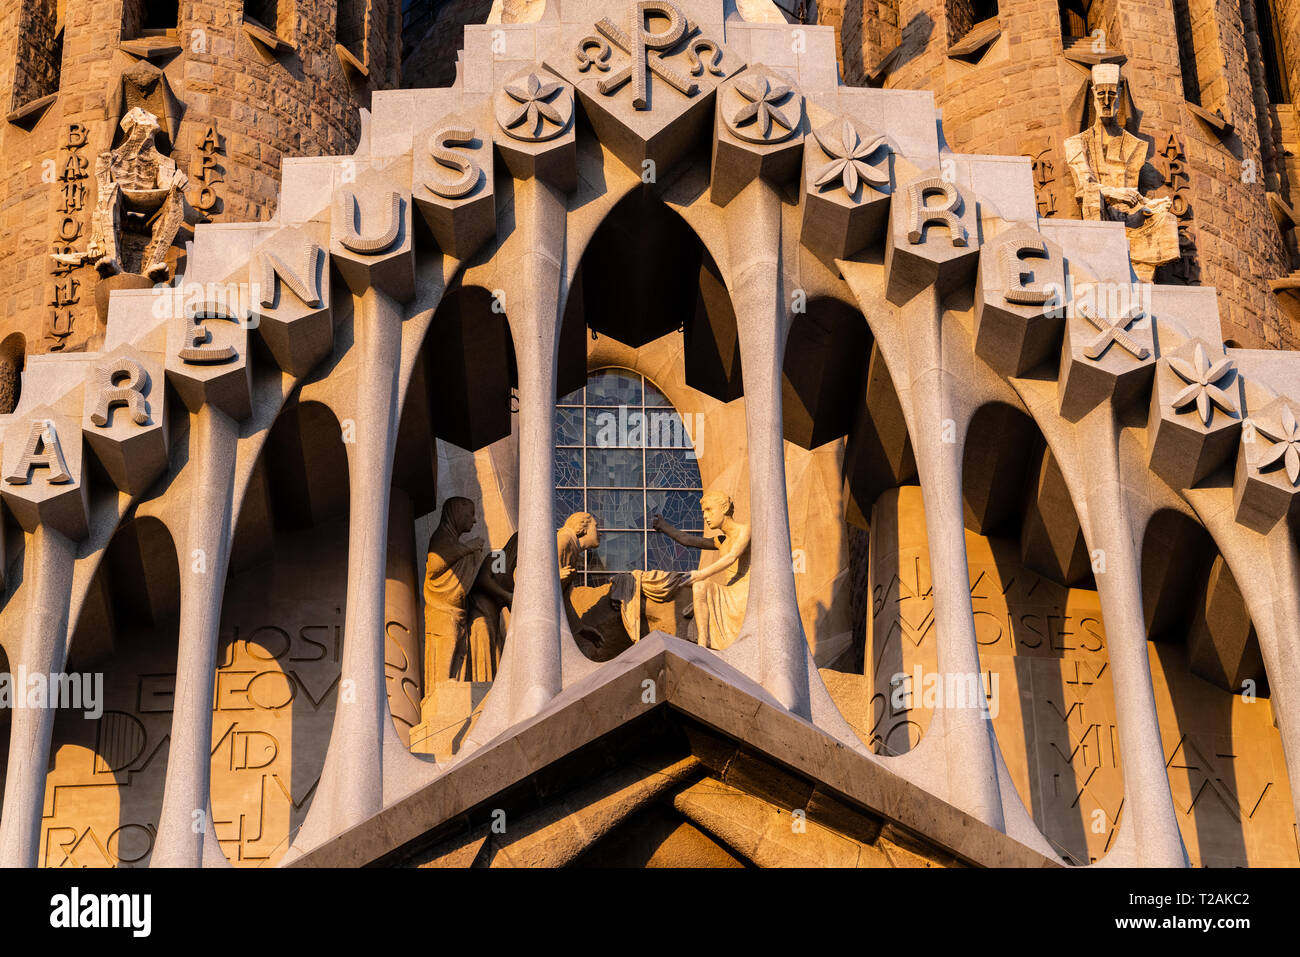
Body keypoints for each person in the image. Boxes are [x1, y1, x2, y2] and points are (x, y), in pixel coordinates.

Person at [1063, 63, 1178, 281]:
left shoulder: (1134, 145)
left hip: (1130, 216)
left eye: (1112, 94)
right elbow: (1085, 186)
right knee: (1091, 199)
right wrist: (1116, 193)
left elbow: (1134, 195)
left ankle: (1143, 282)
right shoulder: (1077, 143)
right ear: (1093, 96)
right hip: (1101, 213)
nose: (1106, 101)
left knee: (1167, 219)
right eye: (1101, 94)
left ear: (1120, 96)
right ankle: (1102, 270)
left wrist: (1150, 205)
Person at [652, 490, 750, 650]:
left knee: (701, 581)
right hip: (728, 591)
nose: (705, 516)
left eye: (709, 510)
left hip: (745, 592)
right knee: (700, 586)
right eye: (703, 512)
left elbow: (731, 557)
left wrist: (701, 573)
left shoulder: (745, 530)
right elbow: (688, 540)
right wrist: (664, 526)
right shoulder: (721, 541)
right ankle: (702, 646)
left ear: (724, 508)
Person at [423, 497, 486, 689]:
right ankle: (443, 686)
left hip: (455, 610)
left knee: (459, 650)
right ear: (458, 512)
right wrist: (469, 548)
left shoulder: (451, 539)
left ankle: (451, 685)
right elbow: (434, 565)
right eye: (471, 514)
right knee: (447, 640)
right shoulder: (442, 536)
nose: (474, 520)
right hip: (441, 610)